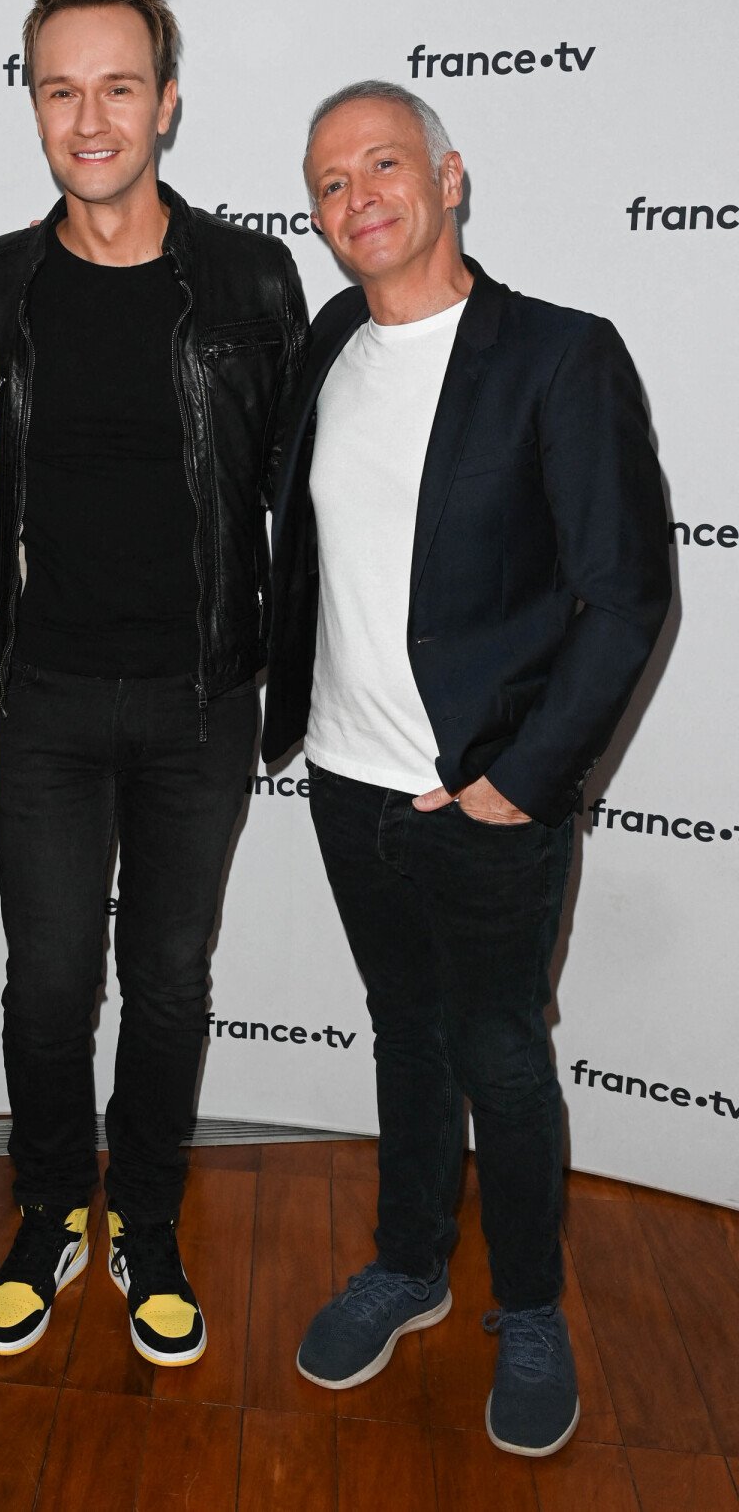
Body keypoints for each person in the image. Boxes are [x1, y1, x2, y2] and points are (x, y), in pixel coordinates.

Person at [263, 81, 670, 1455]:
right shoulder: (327, 344)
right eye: (328, 180)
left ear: (450, 177)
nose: (356, 195)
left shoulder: (560, 354)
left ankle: (534, 1307)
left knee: (500, 1048)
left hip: (486, 793)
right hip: (347, 779)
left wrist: (523, 779)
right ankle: (411, 1264)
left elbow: (626, 596)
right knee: (406, 1030)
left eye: (383, 164)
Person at [0, 0, 306, 1367]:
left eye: (117, 88)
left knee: (168, 978)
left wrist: (300, 684)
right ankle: (48, 1212)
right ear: (34, 108)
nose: (88, 119)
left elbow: (306, 496)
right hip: (37, 700)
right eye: (59, 91)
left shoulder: (249, 277)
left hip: (200, 697)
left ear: (167, 103)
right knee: (45, 984)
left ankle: (145, 1221)